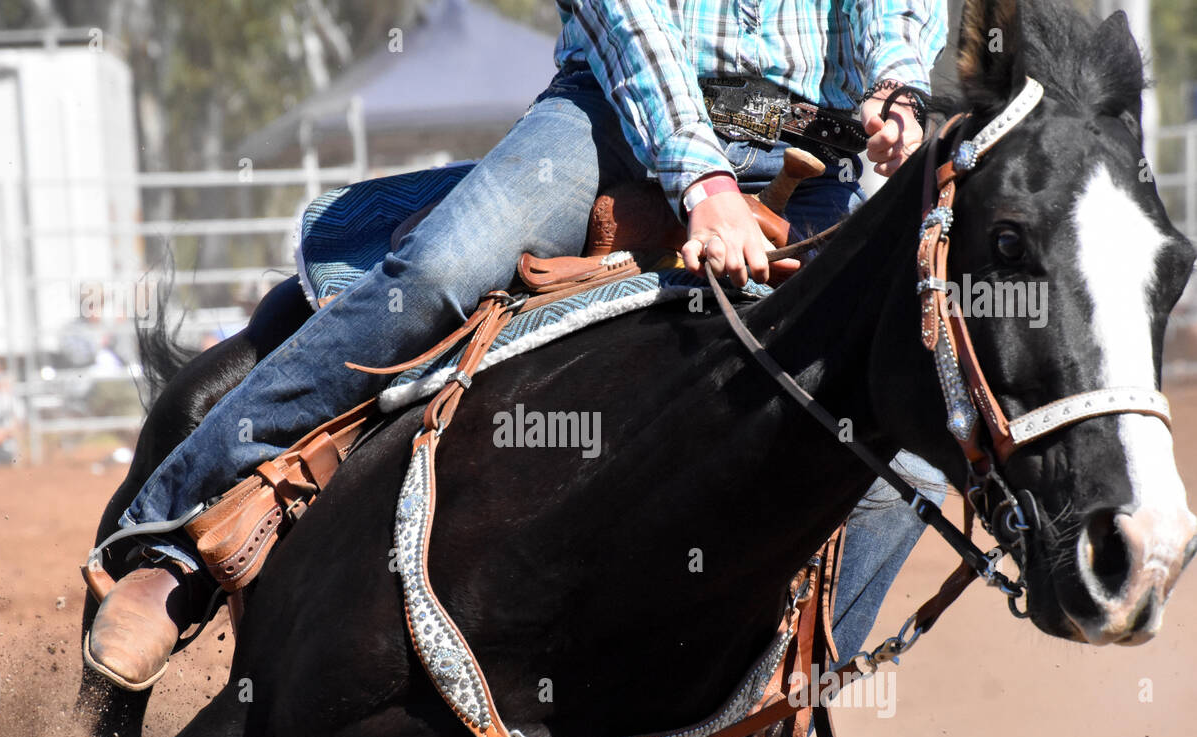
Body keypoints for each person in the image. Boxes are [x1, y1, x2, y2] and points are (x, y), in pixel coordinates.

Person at [85, 1, 948, 691]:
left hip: (821, 156)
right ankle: (171, 547)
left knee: (906, 451)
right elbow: (629, 20)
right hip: (619, 120)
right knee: (439, 273)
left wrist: (899, 90)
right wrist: (706, 181)